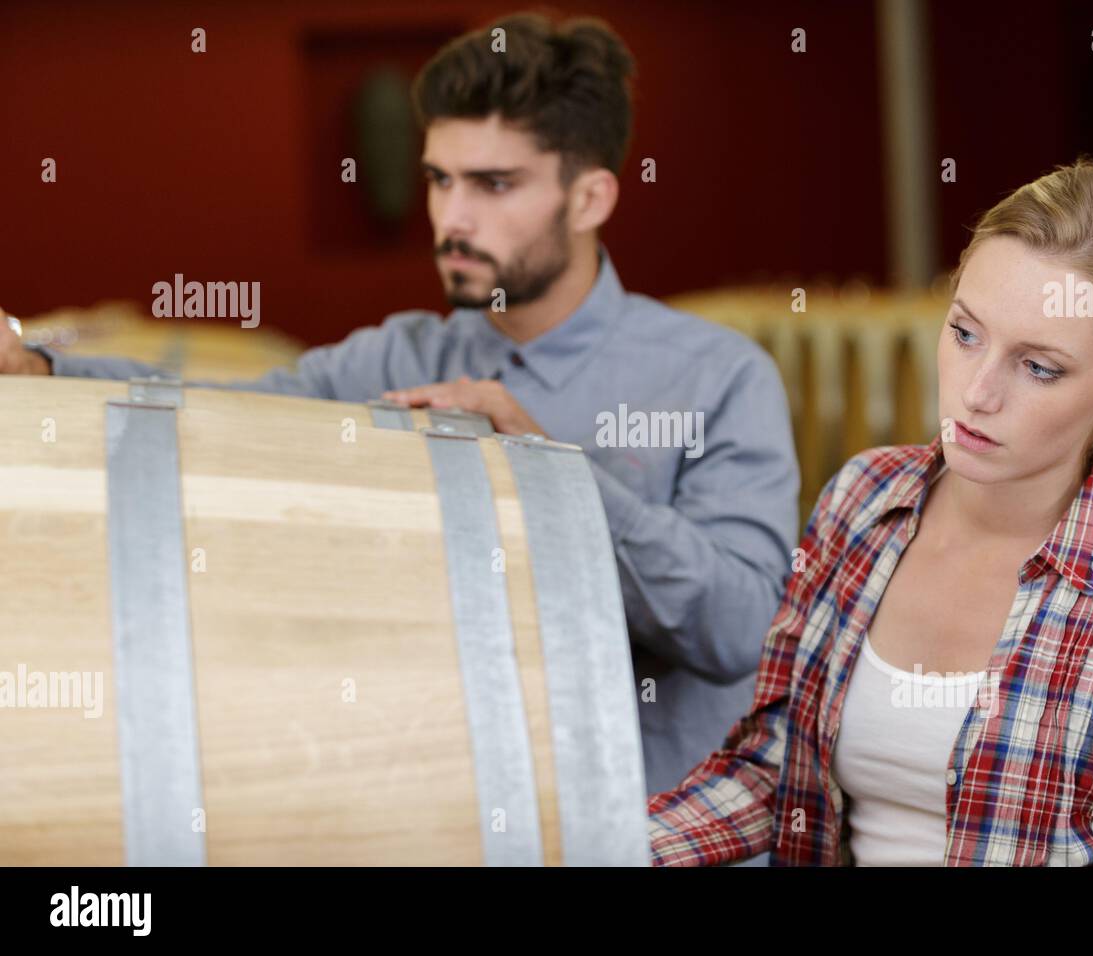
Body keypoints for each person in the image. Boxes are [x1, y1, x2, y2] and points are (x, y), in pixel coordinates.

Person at [0, 13, 800, 812]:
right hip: (453, 827)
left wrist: (551, 475)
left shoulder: (719, 376)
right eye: (438, 179)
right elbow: (222, 414)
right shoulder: (397, 359)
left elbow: (739, 629)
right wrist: (40, 367)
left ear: (589, 197)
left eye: (494, 184)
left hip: (659, 840)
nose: (451, 219)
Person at [648, 159, 1093, 866]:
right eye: (966, 333)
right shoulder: (862, 501)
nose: (977, 392)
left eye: (1039, 367)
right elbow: (770, 772)